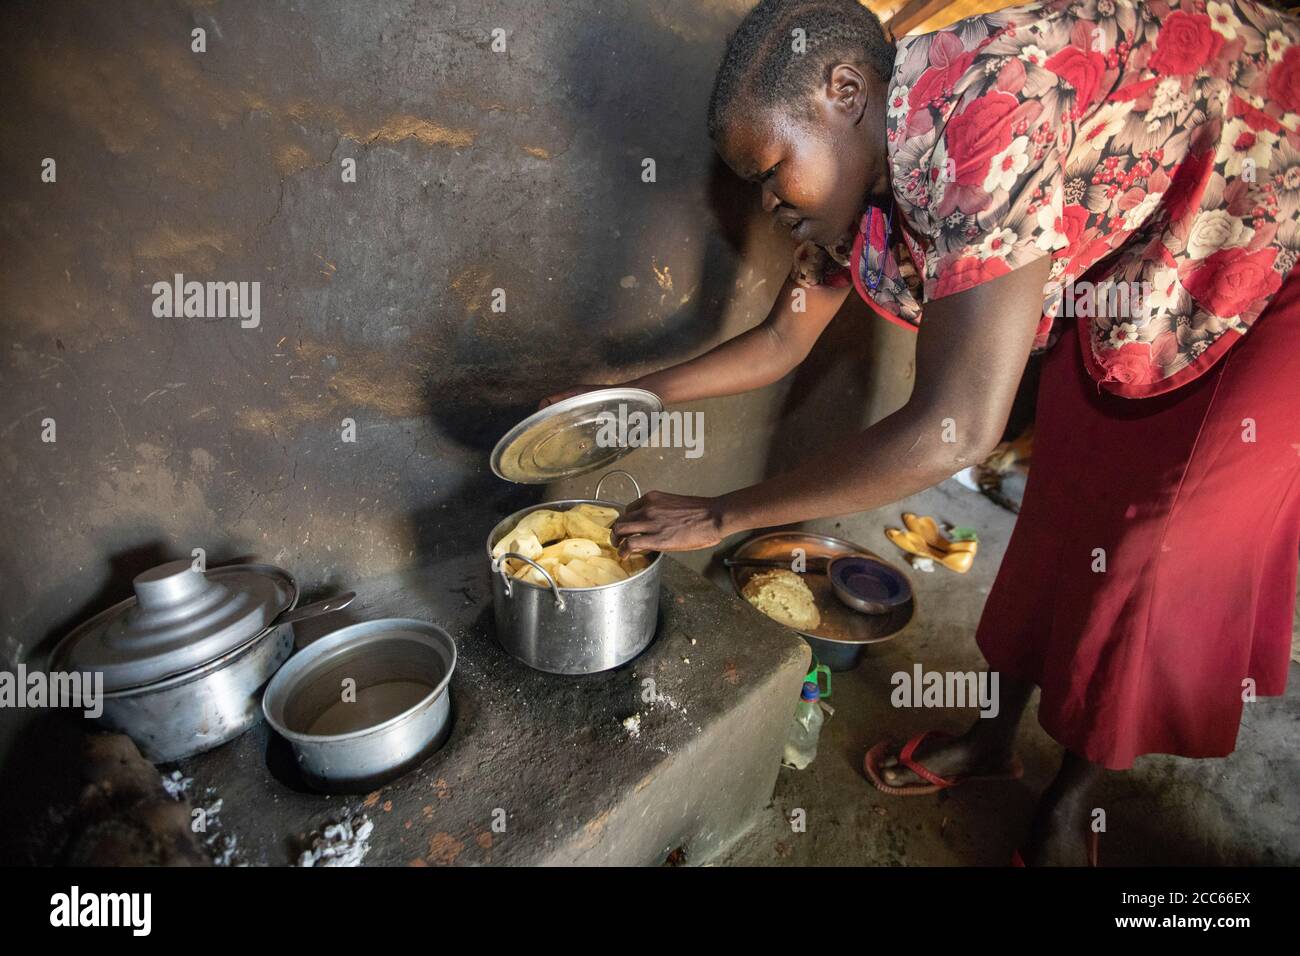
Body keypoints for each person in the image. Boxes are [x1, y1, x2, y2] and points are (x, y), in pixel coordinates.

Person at [542, 0, 1300, 864]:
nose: (766, 202)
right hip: (1144, 254)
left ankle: (1073, 800)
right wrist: (631, 396)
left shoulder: (984, 108)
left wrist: (722, 516)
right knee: (1067, 510)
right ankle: (992, 738)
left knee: (1149, 554)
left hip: (1270, 234)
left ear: (845, 91)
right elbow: (783, 339)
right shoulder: (859, 170)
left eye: (773, 169)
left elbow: (956, 429)